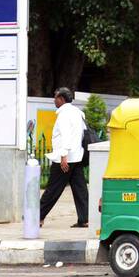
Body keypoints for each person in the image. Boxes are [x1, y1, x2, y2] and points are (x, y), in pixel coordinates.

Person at [40, 87, 89, 228]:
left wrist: (63, 155)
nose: (54, 100)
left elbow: (66, 135)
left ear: (61, 99)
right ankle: (85, 218)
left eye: (55, 97)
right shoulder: (77, 112)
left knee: (53, 189)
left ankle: (38, 217)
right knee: (80, 189)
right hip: (77, 156)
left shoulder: (64, 114)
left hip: (65, 158)